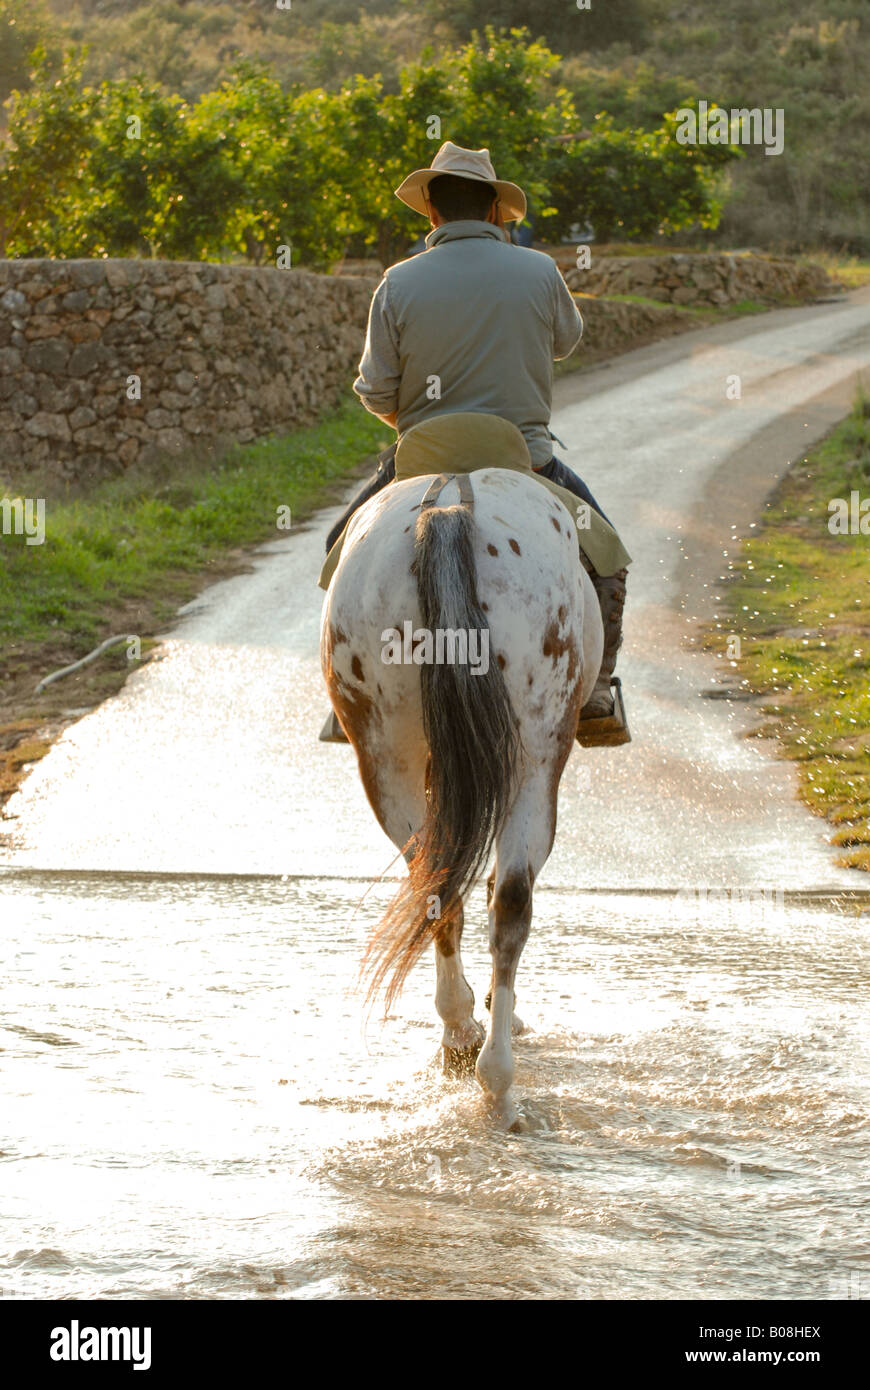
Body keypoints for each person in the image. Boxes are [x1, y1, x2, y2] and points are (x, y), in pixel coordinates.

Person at [321, 141, 629, 747]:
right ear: (494, 212)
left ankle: (348, 695)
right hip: (526, 457)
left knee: (340, 549)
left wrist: (419, 424)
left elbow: (375, 388)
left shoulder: (397, 282)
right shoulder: (539, 270)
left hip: (420, 457)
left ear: (431, 213)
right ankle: (595, 693)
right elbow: (564, 342)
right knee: (607, 560)